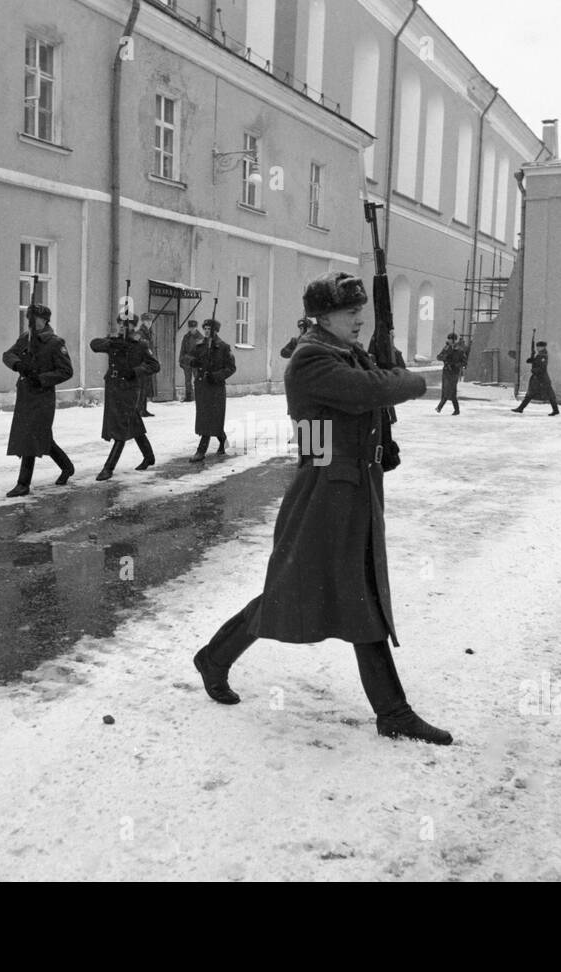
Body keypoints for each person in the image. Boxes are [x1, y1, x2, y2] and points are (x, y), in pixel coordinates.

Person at [191, 271, 452, 745]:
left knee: (354, 595)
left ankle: (392, 711)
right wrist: (409, 380)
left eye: (360, 312)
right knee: (295, 591)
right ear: (324, 316)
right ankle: (215, 657)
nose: (359, 321)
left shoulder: (343, 353)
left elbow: (357, 405)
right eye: (351, 313)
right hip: (324, 493)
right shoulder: (313, 360)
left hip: (351, 487)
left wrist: (379, 443)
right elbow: (368, 391)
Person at [2, 301, 75, 497]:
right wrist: (18, 365)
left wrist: (42, 379)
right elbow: (7, 355)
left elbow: (66, 371)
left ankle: (23, 484)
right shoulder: (25, 338)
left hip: (42, 396)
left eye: (35, 320)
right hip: (26, 395)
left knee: (31, 436)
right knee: (41, 437)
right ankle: (67, 467)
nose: (32, 324)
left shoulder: (55, 343)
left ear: (45, 320)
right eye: (29, 320)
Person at [91, 309, 158, 480]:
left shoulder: (140, 344)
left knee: (120, 426)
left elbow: (154, 365)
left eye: (125, 325)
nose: (121, 327)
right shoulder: (113, 341)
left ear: (133, 327)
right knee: (131, 422)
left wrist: (135, 371)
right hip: (113, 387)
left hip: (129, 389)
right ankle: (149, 457)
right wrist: (111, 342)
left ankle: (109, 468)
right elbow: (94, 345)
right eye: (120, 324)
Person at [188, 318, 236, 461]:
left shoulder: (223, 347)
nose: (207, 331)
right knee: (206, 417)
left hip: (215, 387)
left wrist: (215, 376)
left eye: (210, 329)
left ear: (216, 331)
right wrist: (192, 361)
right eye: (206, 329)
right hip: (202, 386)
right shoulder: (199, 345)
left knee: (210, 417)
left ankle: (201, 451)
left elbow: (231, 368)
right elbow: (186, 357)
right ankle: (223, 440)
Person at [512, 340, 560, 415]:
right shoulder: (540, 354)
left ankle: (555, 410)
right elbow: (538, 363)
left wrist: (534, 370)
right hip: (539, 378)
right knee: (531, 394)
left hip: (541, 378)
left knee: (549, 394)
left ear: (543, 347)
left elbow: (542, 367)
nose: (537, 348)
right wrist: (532, 360)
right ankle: (520, 408)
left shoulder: (543, 355)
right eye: (537, 347)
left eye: (539, 347)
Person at [436, 332, 467, 415]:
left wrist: (456, 365)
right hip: (446, 371)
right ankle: (456, 410)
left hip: (454, 372)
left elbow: (464, 362)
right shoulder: (446, 348)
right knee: (448, 390)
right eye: (448, 339)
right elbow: (439, 357)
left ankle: (440, 407)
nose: (448, 340)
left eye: (450, 339)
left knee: (450, 390)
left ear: (454, 340)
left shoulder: (460, 350)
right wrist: (445, 356)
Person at [134, 314, 156, 417]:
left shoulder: (149, 333)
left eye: (150, 321)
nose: (149, 323)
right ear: (142, 321)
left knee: (146, 387)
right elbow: (136, 345)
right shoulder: (139, 333)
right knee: (141, 387)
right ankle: (139, 410)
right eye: (147, 321)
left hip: (148, 362)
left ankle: (144, 409)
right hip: (142, 362)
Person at [178, 319, 203, 403]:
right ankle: (188, 397)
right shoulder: (186, 337)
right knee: (187, 380)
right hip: (187, 361)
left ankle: (198, 396)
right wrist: (181, 360)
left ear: (196, 327)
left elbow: (201, 352)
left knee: (197, 379)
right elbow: (182, 349)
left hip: (196, 362)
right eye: (190, 327)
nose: (192, 329)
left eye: (194, 327)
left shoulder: (200, 338)